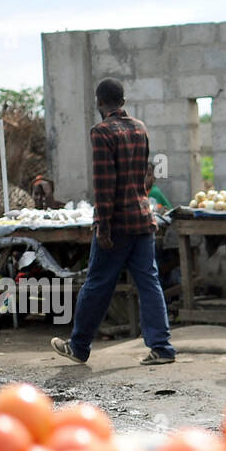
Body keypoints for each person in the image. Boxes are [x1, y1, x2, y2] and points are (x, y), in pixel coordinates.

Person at [51, 78, 176, 365]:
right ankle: (162, 348)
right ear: (122, 100)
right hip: (143, 219)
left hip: (117, 224)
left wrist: (103, 225)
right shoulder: (140, 128)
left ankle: (79, 346)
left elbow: (105, 185)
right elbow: (144, 176)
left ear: (99, 101)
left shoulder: (102, 132)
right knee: (149, 282)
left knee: (97, 283)